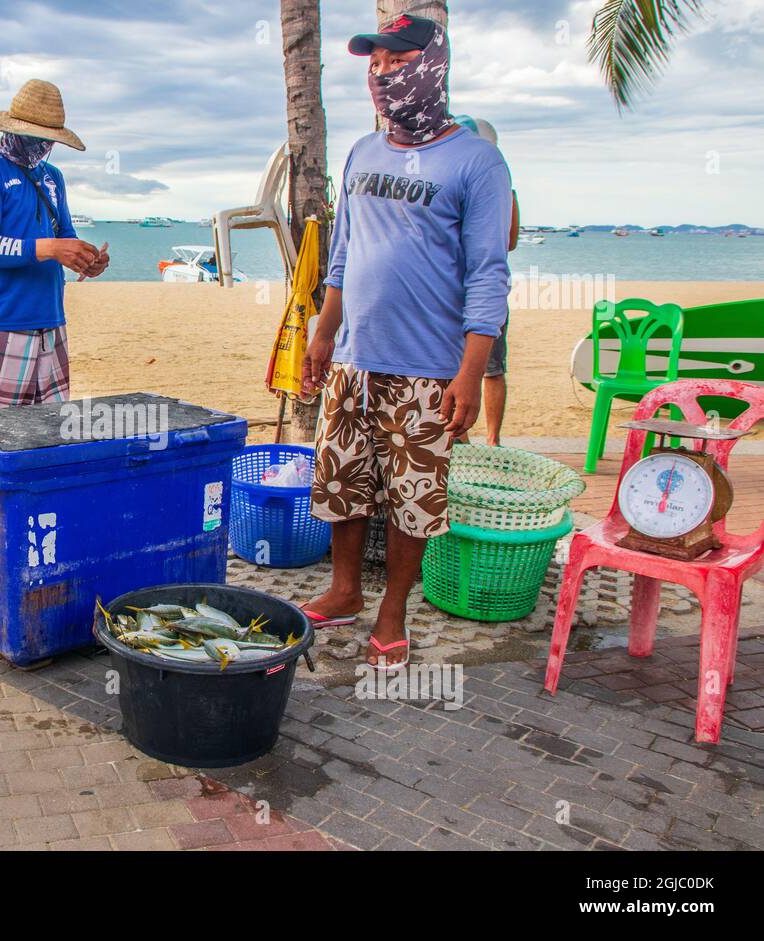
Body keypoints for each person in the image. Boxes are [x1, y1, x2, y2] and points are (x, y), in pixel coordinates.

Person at [299, 15, 512, 670]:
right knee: (342, 482)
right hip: (354, 361)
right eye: (375, 62)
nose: (383, 72)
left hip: (427, 369)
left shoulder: (477, 160)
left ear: (434, 64)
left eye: (397, 59)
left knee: (413, 502)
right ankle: (344, 590)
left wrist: (471, 372)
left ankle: (391, 610)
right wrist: (322, 332)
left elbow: (488, 273)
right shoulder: (362, 154)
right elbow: (342, 256)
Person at [0, 79, 109, 410]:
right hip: (5, 324)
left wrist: (86, 260)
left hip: (52, 323)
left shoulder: (52, 176)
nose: (43, 145)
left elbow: (65, 235)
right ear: (14, 129)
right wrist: (50, 249)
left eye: (49, 139)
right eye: (37, 136)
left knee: (52, 433)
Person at [453, 114, 519, 447]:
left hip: (483, 294)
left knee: (491, 367)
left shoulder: (497, 184)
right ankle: (461, 441)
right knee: (453, 370)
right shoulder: (453, 179)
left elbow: (508, 241)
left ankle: (492, 441)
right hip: (450, 294)